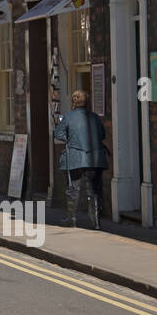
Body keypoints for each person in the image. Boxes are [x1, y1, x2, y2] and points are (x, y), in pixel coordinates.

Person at [54, 89, 108, 229]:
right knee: (94, 190)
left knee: (73, 189)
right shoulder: (94, 117)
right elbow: (102, 134)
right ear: (87, 102)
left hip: (75, 158)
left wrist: (70, 138)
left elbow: (58, 134)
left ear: (73, 102)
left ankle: (72, 220)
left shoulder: (68, 117)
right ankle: (96, 222)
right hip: (94, 158)